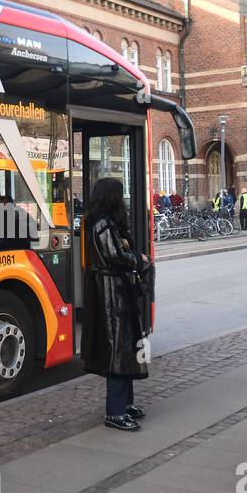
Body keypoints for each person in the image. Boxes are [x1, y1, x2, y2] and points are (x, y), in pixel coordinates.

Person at [80, 177, 150, 432]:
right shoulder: (103, 225)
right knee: (118, 352)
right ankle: (115, 411)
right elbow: (115, 256)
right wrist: (138, 260)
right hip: (112, 295)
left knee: (125, 350)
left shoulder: (104, 223)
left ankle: (125, 404)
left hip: (117, 292)